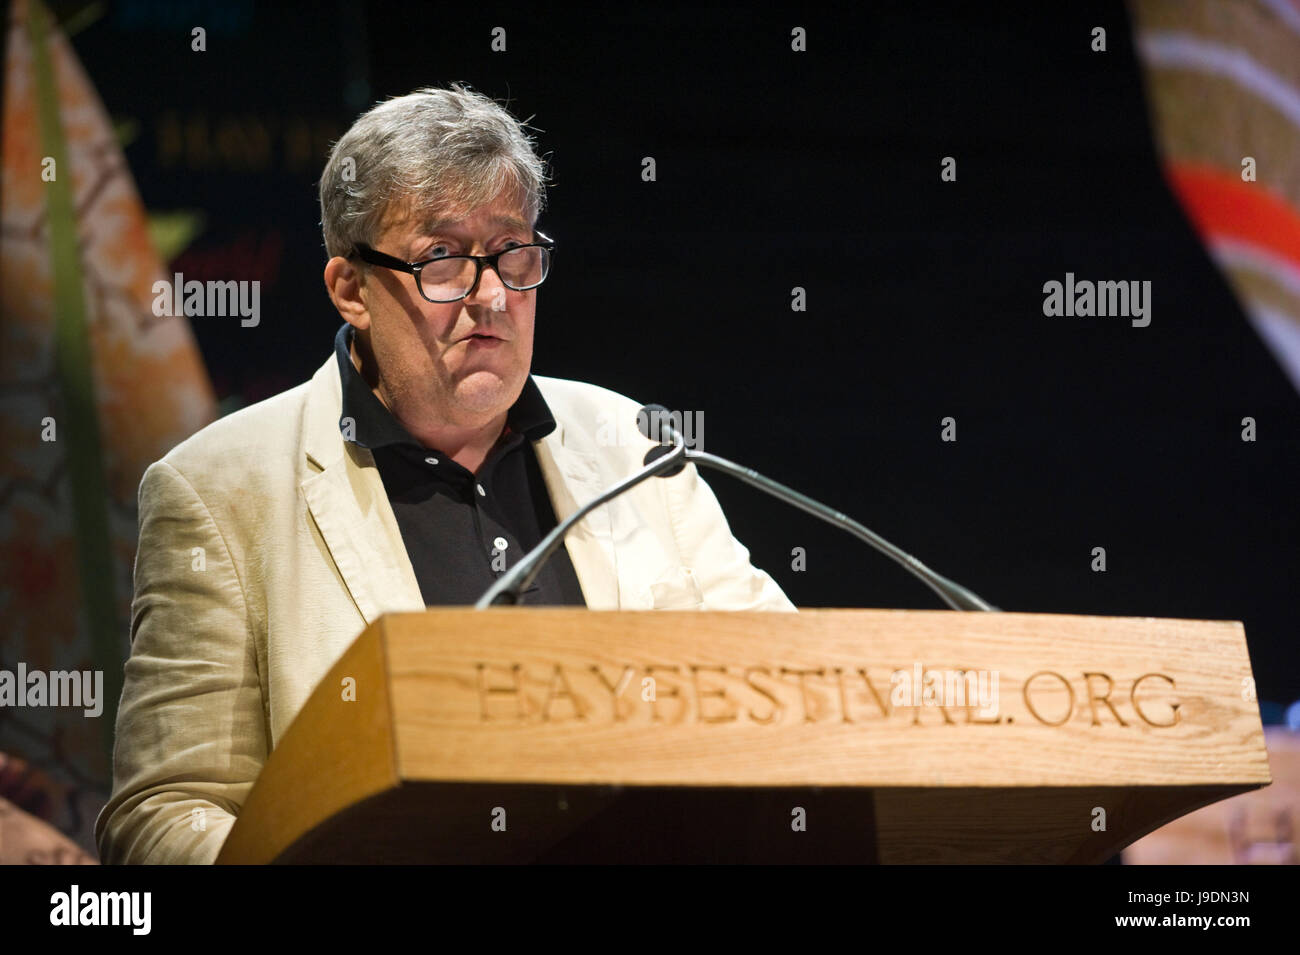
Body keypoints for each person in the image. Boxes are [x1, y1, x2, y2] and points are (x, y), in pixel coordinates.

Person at [95, 84, 794, 865]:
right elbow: (166, 813)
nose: (491, 296)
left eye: (512, 252)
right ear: (351, 289)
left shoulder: (632, 444)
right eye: (442, 260)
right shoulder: (221, 489)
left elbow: (785, 692)